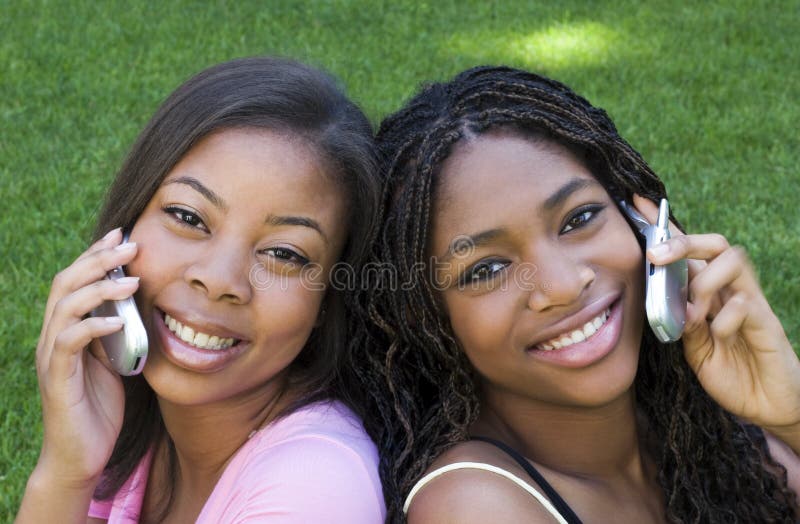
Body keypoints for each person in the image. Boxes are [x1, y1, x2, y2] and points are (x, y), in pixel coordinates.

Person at [352, 66, 800, 523]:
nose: (563, 286)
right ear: (422, 315)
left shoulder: (696, 427)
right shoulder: (474, 506)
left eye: (579, 219)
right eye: (487, 268)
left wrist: (791, 416)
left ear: (641, 219)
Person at [17, 56, 385, 523]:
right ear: (125, 227)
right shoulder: (140, 440)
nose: (218, 280)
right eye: (189, 218)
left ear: (325, 302)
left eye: (285, 254)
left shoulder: (315, 489)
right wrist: (68, 471)